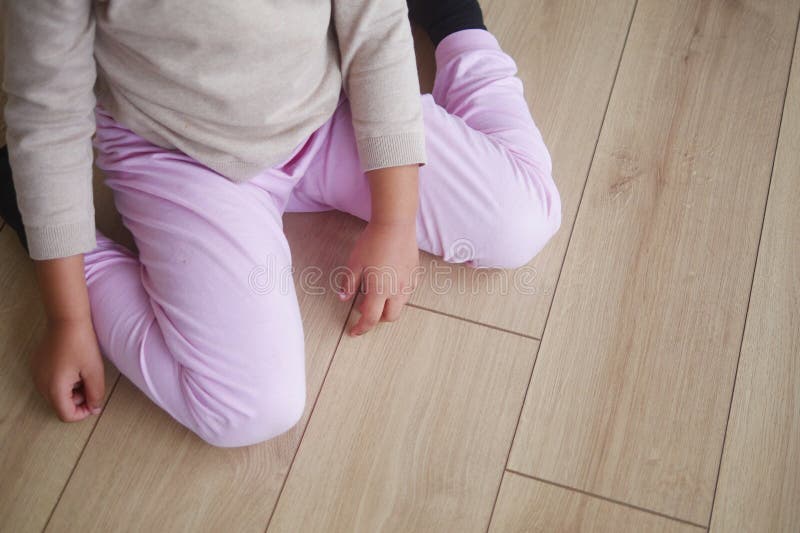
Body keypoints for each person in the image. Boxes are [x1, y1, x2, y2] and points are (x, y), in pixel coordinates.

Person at [1, 0, 562, 447]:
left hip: (325, 105)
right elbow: (48, 113)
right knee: (250, 410)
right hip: (179, 157)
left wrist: (395, 219)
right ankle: (28, 207)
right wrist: (69, 316)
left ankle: (453, 18)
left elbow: (375, 28)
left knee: (521, 220)